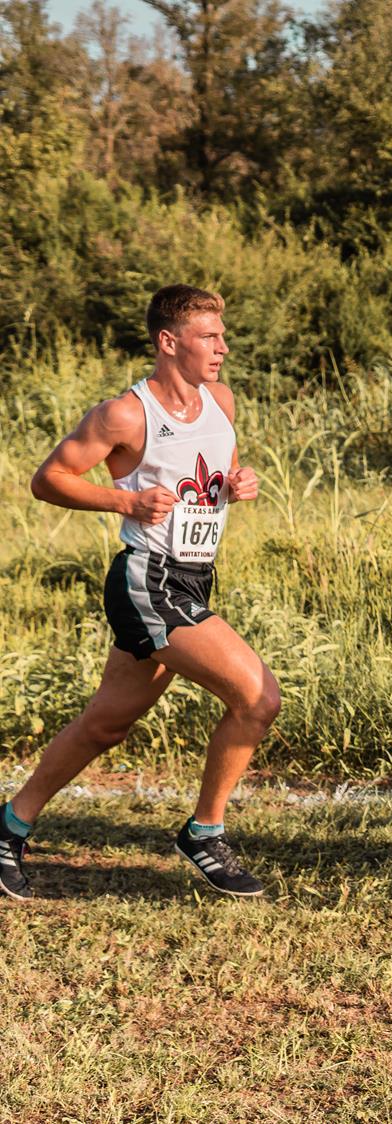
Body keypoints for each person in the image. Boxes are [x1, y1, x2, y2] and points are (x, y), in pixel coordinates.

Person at [2, 285, 277, 900]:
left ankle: (9, 825)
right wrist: (124, 499)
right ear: (168, 342)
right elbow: (48, 479)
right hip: (147, 579)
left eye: (222, 336)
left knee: (107, 724)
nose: (222, 349)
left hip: (194, 576)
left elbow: (212, 472)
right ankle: (204, 833)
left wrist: (236, 483)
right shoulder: (124, 415)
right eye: (210, 337)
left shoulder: (221, 401)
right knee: (258, 698)